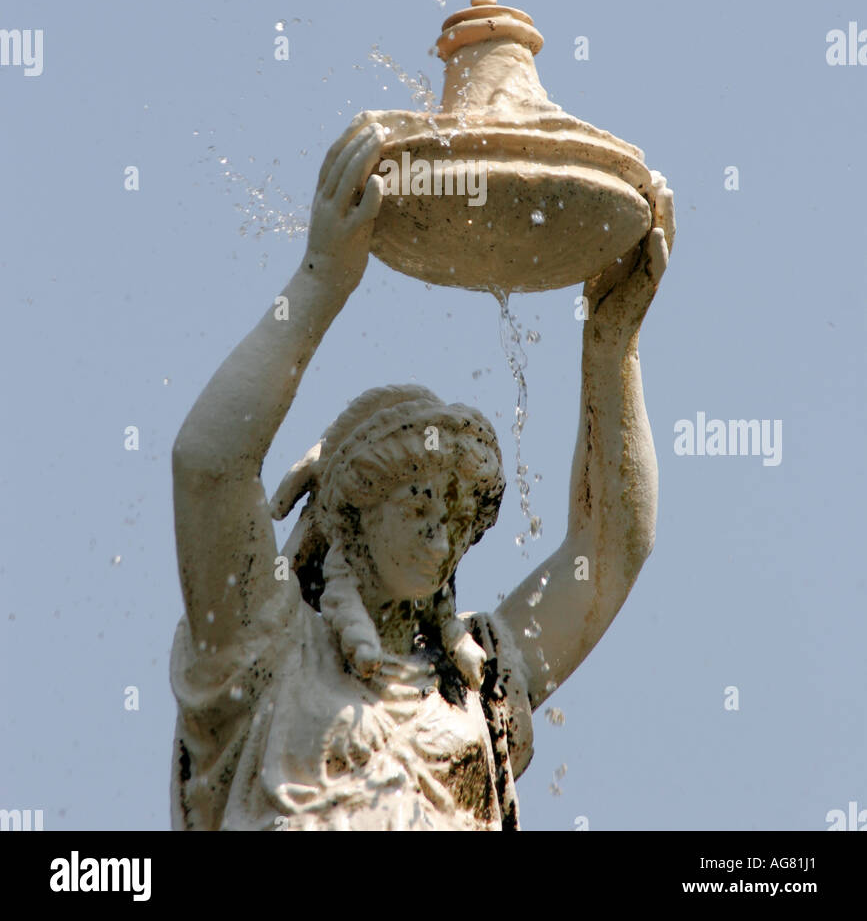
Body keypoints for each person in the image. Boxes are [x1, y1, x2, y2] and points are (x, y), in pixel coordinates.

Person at [170, 119, 675, 830]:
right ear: (352, 515)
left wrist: (610, 347)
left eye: (455, 523)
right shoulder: (265, 647)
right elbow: (209, 468)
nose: (440, 541)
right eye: (417, 510)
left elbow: (611, 547)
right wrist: (320, 281)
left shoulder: (483, 675)